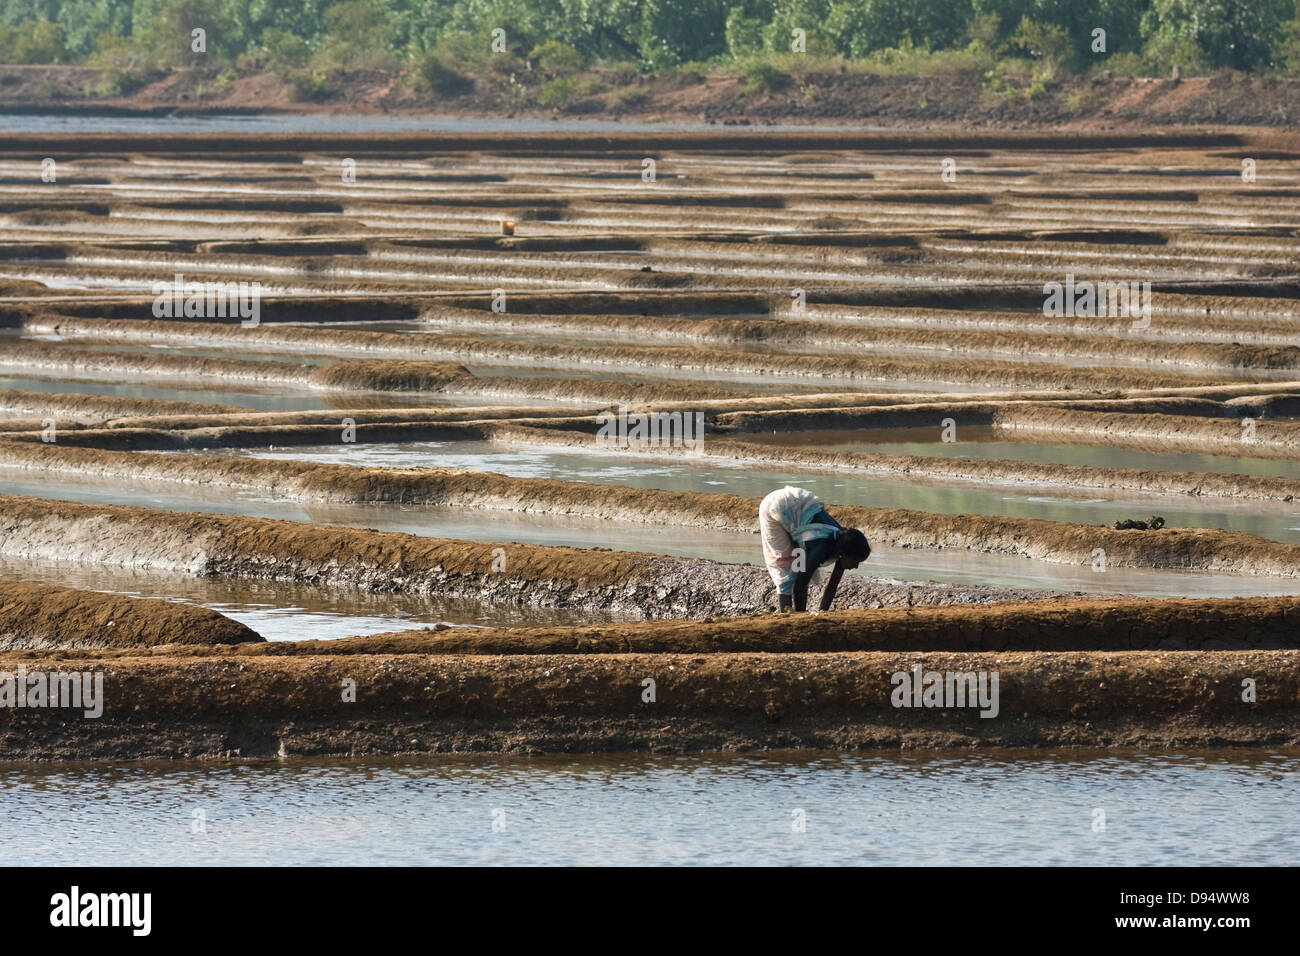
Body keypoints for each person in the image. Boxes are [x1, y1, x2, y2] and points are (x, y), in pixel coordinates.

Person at [759, 485, 871, 612]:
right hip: (776, 506)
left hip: (799, 506)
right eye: (856, 561)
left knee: (800, 565)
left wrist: (823, 614)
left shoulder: (842, 542)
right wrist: (803, 618)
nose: (856, 566)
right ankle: (786, 619)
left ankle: (795, 616)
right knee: (785, 571)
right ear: (845, 554)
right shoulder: (820, 548)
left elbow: (832, 587)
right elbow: (800, 585)